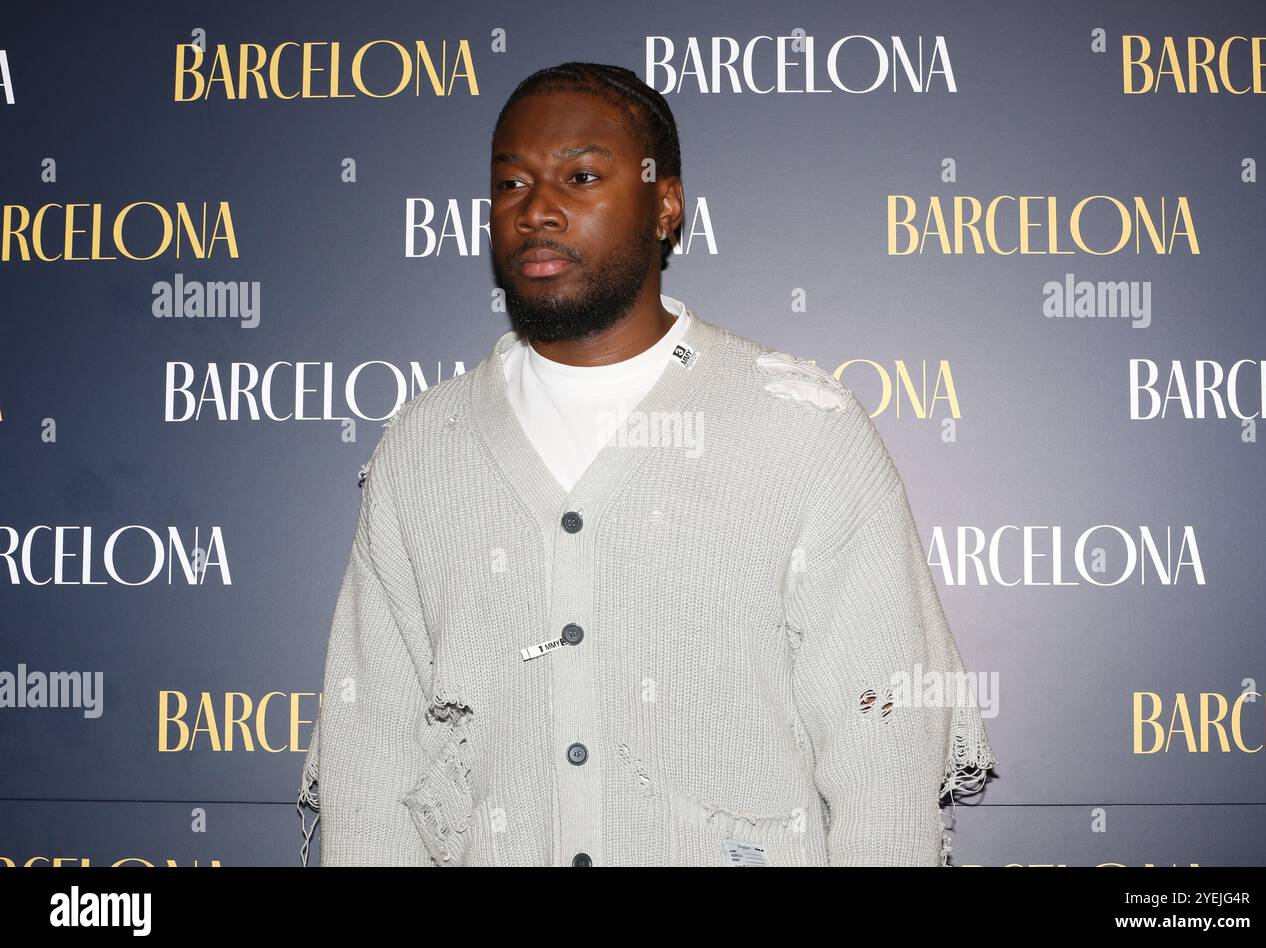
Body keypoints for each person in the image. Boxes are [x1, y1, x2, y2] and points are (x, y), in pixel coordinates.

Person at [297, 61, 996, 867]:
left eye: (581, 176)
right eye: (512, 183)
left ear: (665, 205)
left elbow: (887, 750)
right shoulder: (423, 447)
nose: (538, 209)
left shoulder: (800, 429)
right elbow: (372, 753)